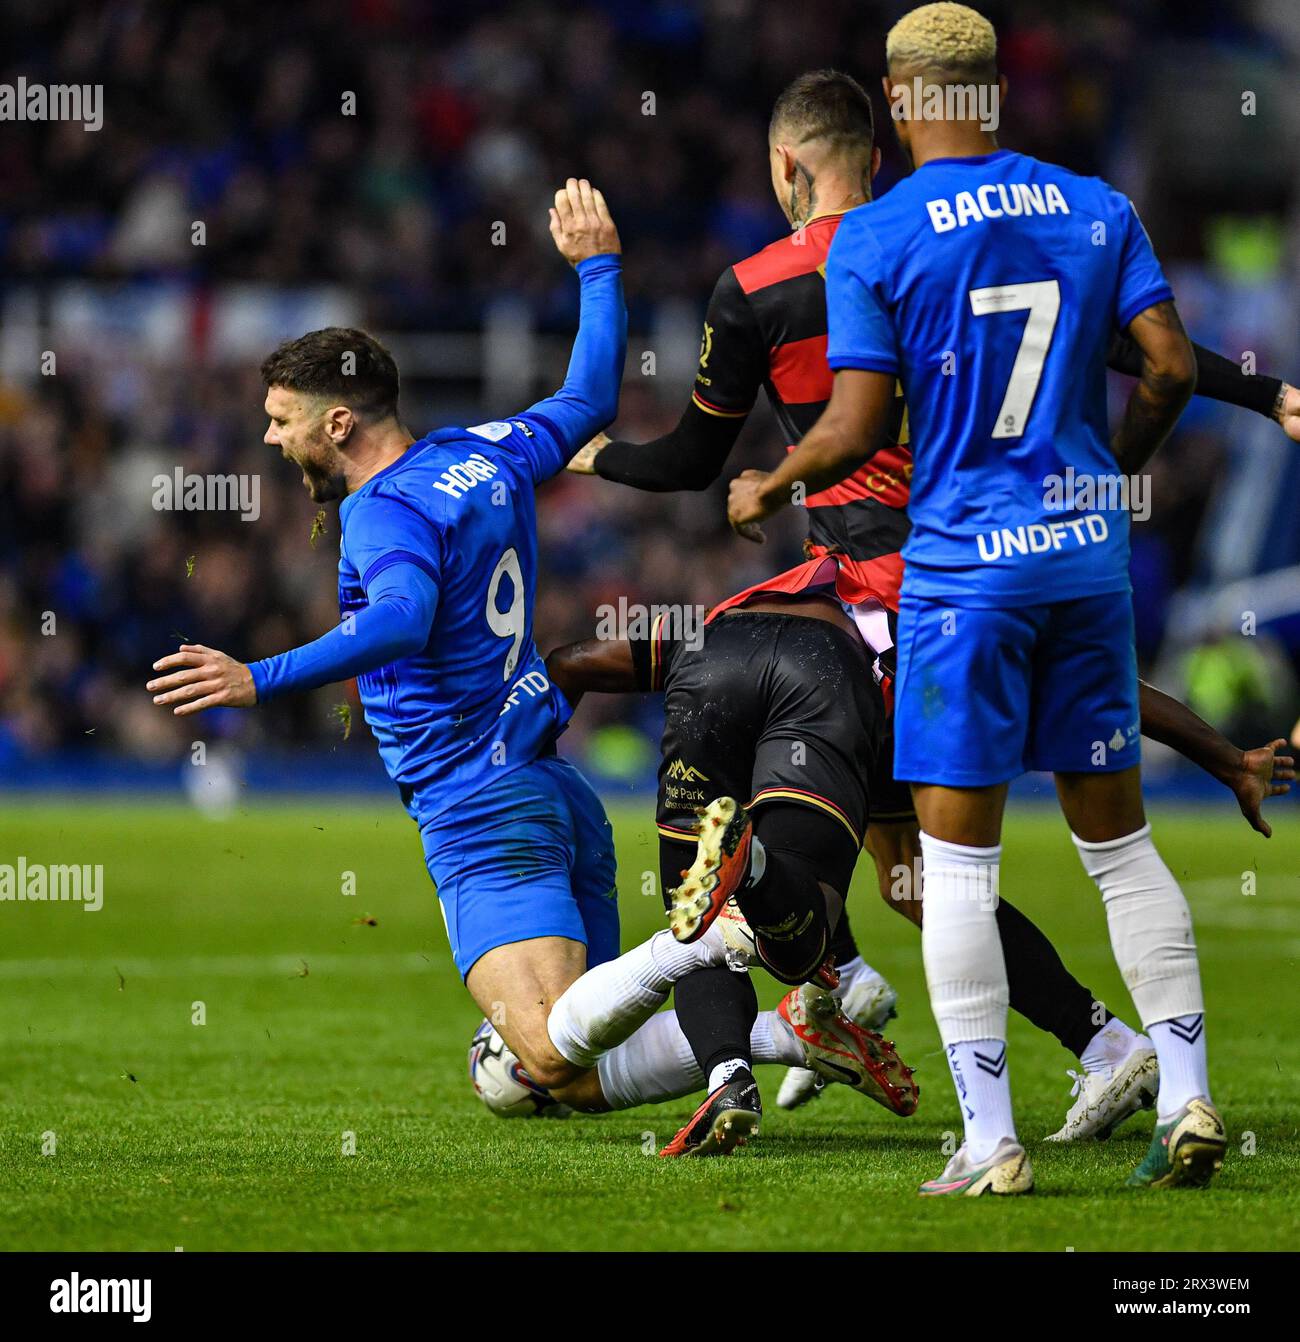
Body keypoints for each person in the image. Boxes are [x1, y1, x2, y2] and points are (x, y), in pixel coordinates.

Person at [569, 66, 1297, 1133]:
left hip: (883, 590)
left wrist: (592, 455)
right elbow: (1134, 350)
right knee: (918, 861)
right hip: (989, 559)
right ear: (880, 154)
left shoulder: (766, 283)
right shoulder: (954, 245)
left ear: (784, 166)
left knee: (910, 859)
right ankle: (1089, 1041)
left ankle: (857, 1018)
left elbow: (689, 461)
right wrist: (1268, 393)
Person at [727, 2, 1236, 1194]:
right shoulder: (1094, 205)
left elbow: (853, 425)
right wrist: (1111, 473)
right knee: (1120, 846)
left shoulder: (878, 234)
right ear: (993, 94)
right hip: (1083, 561)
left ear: (902, 103)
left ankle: (990, 1139)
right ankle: (1192, 1095)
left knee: (951, 871)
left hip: (961, 576)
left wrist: (775, 476)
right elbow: (1166, 367)